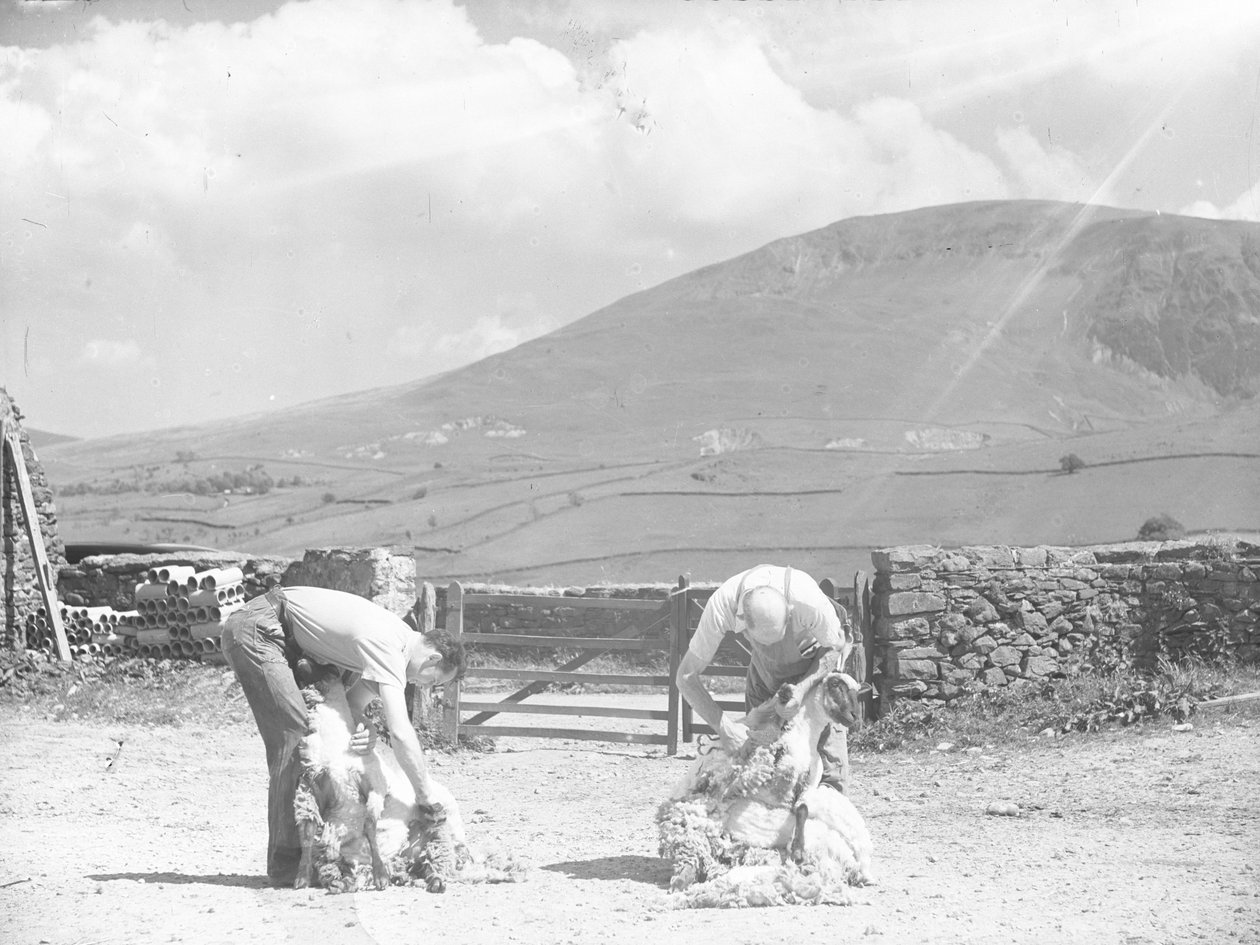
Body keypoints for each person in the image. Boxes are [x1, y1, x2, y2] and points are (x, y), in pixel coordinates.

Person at [222, 584, 466, 887]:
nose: (429, 687)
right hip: (260, 628)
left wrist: (369, 728)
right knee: (298, 736)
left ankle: (313, 852)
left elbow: (353, 705)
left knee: (306, 735)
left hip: (280, 632)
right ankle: (287, 864)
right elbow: (402, 732)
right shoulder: (391, 646)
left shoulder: (397, 642)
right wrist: (427, 798)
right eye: (436, 680)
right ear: (433, 658)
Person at [675, 564, 855, 791]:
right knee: (761, 770)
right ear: (742, 624)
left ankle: (827, 808)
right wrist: (726, 729)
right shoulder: (723, 606)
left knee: (829, 775)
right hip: (764, 674)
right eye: (765, 641)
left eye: (778, 636)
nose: (775, 646)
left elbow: (835, 647)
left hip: (815, 666)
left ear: (790, 612)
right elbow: (686, 676)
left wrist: (802, 689)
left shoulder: (806, 598)